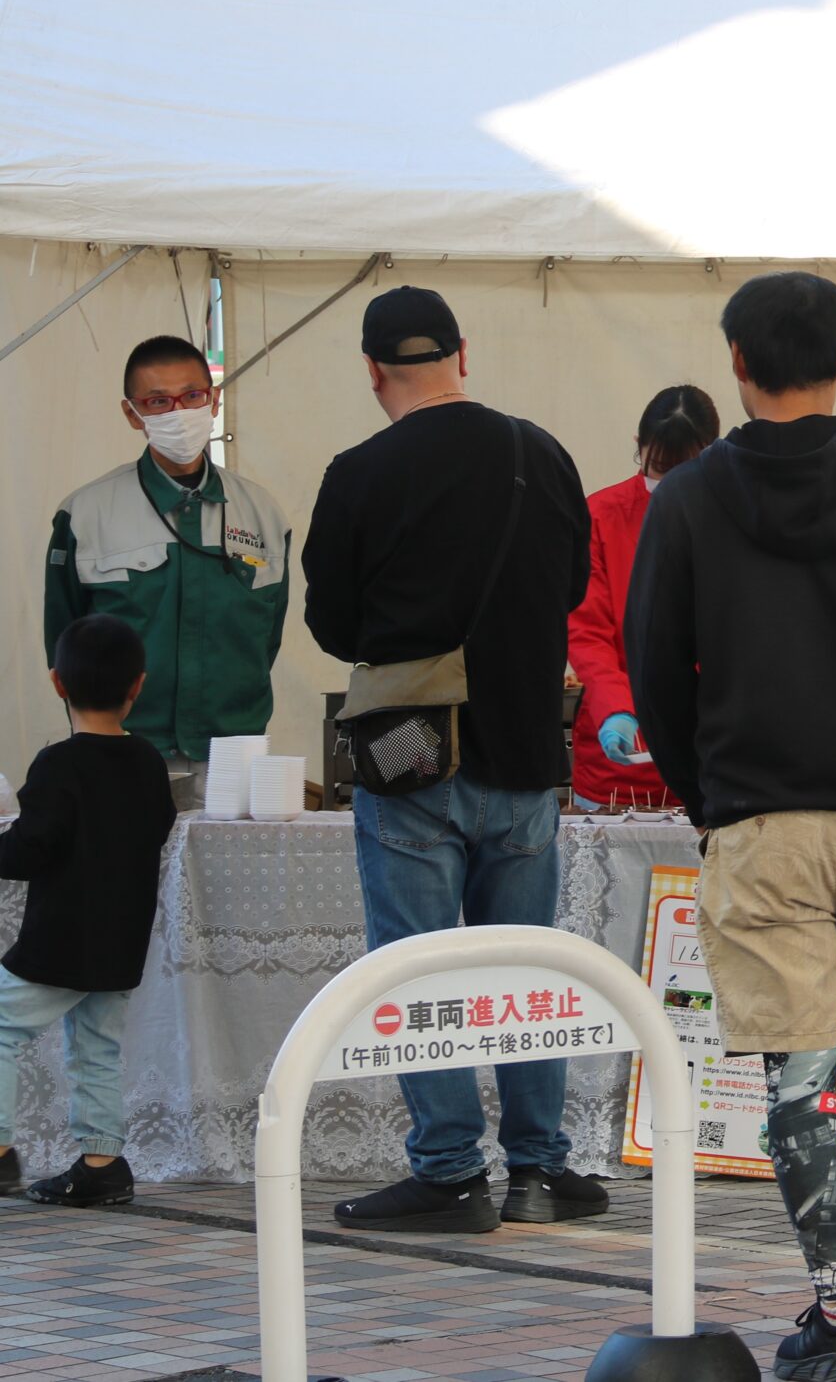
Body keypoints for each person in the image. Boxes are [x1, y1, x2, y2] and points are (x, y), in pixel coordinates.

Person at [626, 271, 836, 1380]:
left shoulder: (682, 502)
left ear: (735, 364)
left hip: (759, 812)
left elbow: (651, 669)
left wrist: (704, 791)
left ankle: (831, 1312)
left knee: (795, 1069)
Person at [302, 286, 601, 1233]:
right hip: (521, 748)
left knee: (420, 970)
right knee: (525, 968)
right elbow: (569, 586)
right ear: (462, 354)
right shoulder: (541, 453)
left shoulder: (357, 471)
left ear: (372, 368)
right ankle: (540, 1171)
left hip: (408, 753)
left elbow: (331, 623)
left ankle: (448, 1174)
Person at [44, 335, 290, 809]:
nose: (178, 412)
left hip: (233, 758)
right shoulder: (86, 513)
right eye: (158, 401)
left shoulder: (263, 513)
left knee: (228, 884)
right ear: (133, 413)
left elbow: (268, 637)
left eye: (192, 396)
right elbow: (63, 646)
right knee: (122, 884)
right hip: (122, 753)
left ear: (214, 399)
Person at [0, 615, 176, 1208]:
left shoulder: (57, 764)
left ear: (56, 684)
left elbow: (30, 848)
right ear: (139, 686)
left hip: (62, 940)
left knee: (0, 1026)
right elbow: (158, 828)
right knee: (97, 1046)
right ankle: (101, 1165)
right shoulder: (150, 762)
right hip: (122, 939)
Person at [568, 386, 719, 811]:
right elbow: (587, 632)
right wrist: (617, 708)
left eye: (681, 472)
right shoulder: (599, 515)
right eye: (658, 469)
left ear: (713, 454)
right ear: (639, 447)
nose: (667, 485)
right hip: (619, 765)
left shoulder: (732, 520)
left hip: (712, 758)